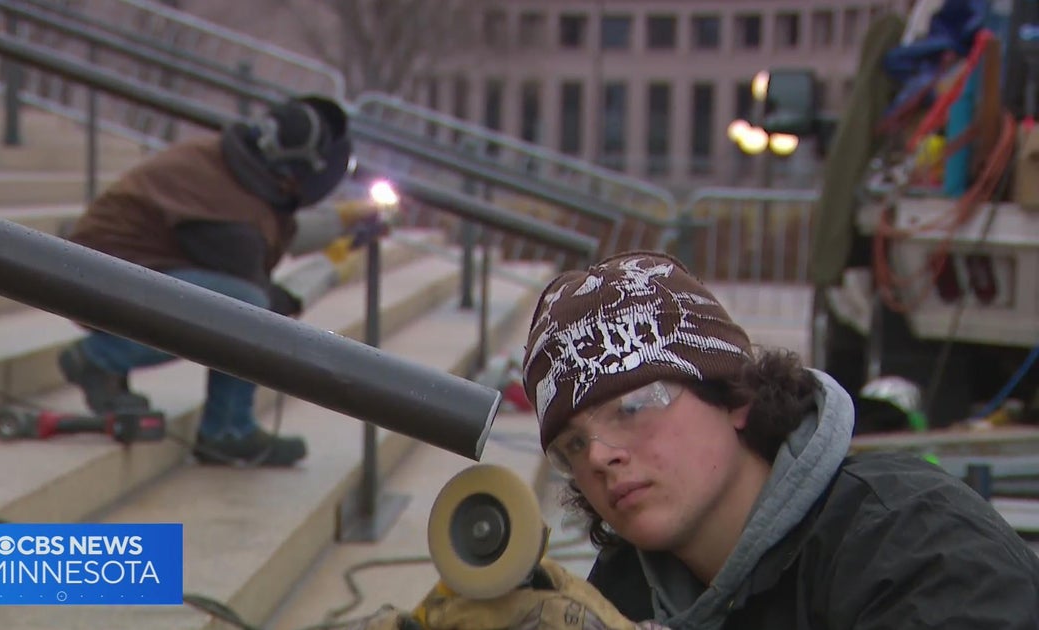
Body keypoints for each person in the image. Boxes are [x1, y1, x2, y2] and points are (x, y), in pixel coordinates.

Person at [356, 250, 1039, 629]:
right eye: (571, 444)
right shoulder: (622, 584)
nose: (598, 457)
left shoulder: (913, 538)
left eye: (634, 408)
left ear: (737, 397)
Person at [58, 95, 382, 468]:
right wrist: (333, 265)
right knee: (243, 310)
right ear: (295, 175)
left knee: (241, 306)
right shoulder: (228, 218)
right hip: (95, 283)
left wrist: (347, 221)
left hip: (119, 273)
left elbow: (276, 232)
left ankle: (224, 426)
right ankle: (107, 362)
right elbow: (264, 305)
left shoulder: (233, 166)